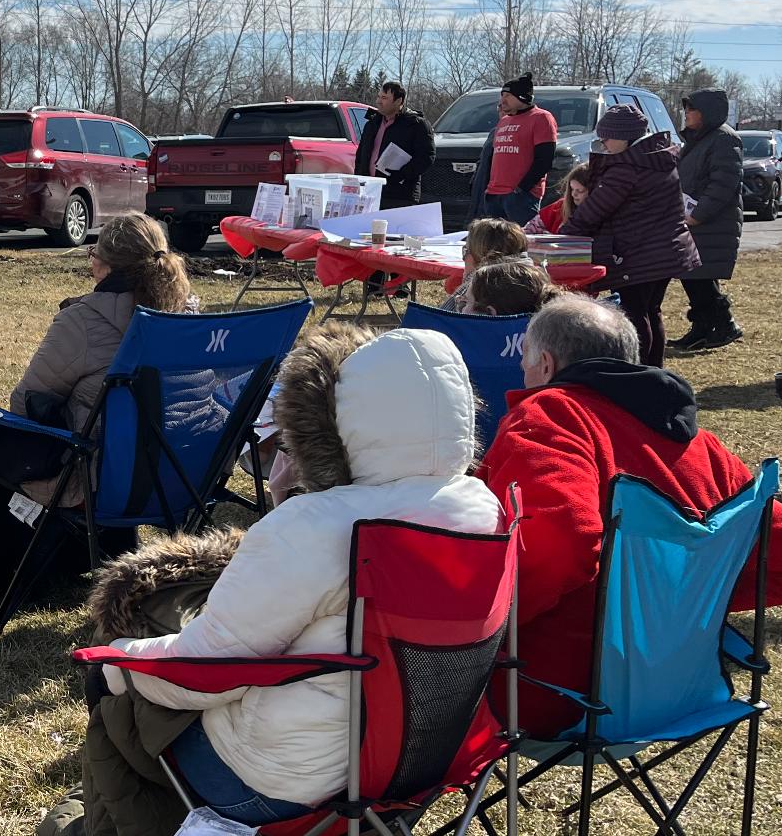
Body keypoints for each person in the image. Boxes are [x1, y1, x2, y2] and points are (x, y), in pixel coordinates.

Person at [39, 326, 500, 835]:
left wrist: (120, 663)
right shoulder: (484, 509)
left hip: (278, 785)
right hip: (419, 768)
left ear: (334, 422)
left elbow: (208, 663)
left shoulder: (318, 524)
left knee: (117, 702)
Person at [478, 295, 782, 736]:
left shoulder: (551, 415)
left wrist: (479, 632)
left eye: (525, 363)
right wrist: (686, 605)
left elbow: (563, 542)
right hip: (683, 688)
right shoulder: (703, 446)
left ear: (546, 365)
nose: (523, 374)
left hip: (554, 691)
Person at [0, 216, 197, 590]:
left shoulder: (85, 320)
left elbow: (28, 402)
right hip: (176, 479)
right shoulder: (191, 322)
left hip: (95, 482)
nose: (91, 261)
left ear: (107, 264)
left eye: (93, 253)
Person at [560, 104, 698, 366]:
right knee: (651, 311)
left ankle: (638, 370)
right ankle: (654, 370)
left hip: (636, 254)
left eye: (607, 137)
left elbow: (593, 212)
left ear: (626, 137)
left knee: (634, 315)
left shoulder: (627, 169)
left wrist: (560, 240)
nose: (604, 142)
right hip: (665, 251)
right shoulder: (659, 159)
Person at [672, 89, 744, 351]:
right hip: (692, 218)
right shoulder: (697, 139)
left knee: (700, 276)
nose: (686, 114)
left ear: (707, 112)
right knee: (692, 275)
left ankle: (725, 325)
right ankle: (702, 327)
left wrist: (698, 215)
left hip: (711, 222)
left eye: (691, 109)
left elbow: (723, 183)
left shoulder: (724, 139)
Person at [472, 73, 558, 223]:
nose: (502, 100)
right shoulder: (503, 121)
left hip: (519, 198)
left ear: (522, 97)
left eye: (507, 95)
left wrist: (522, 189)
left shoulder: (541, 118)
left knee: (520, 243)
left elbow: (544, 160)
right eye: (501, 95)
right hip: (493, 195)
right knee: (494, 244)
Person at [354, 80, 435, 207]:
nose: (378, 101)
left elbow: (426, 157)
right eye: (379, 96)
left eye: (384, 98)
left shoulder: (416, 124)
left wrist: (401, 176)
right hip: (370, 192)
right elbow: (360, 156)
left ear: (399, 101)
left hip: (400, 195)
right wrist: (359, 181)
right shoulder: (372, 123)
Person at [438, 218, 529, 313]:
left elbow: (441, 320)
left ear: (479, 255)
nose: (463, 258)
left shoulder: (478, 284)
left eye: (466, 251)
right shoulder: (536, 278)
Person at [459, 256, 560, 316]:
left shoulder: (469, 348)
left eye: (466, 302)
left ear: (489, 313)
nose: (461, 310)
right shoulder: (547, 344)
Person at [524, 162, 590, 235]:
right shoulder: (560, 206)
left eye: (580, 191)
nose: (573, 194)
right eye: (571, 189)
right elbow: (531, 228)